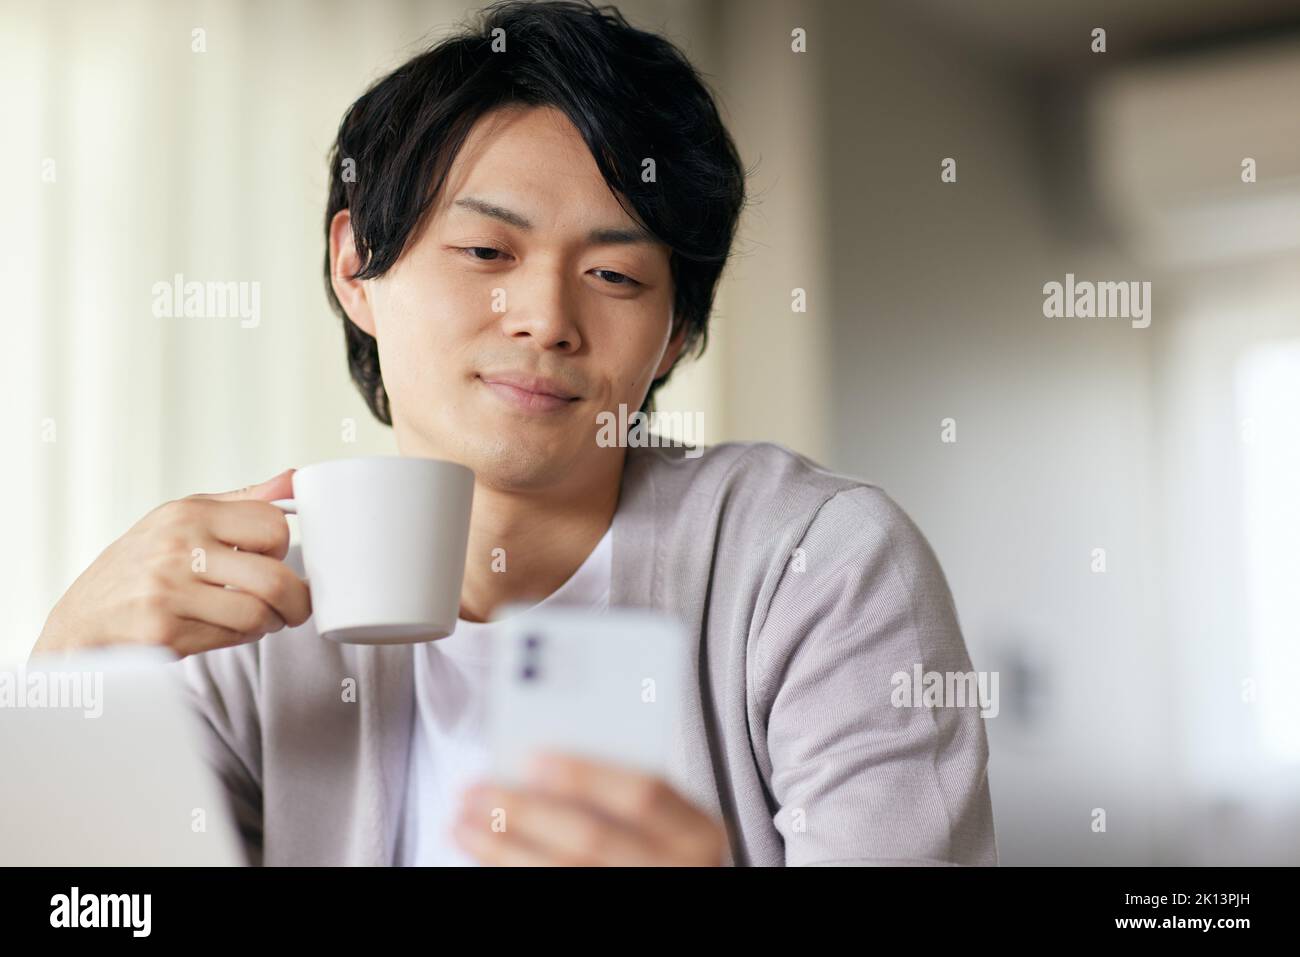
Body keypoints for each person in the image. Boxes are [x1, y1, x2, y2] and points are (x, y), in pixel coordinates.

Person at [32, 0, 996, 867]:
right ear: (356, 265)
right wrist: (67, 692)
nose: (545, 317)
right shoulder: (251, 613)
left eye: (617, 276)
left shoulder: (815, 568)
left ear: (679, 334)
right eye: (487, 251)